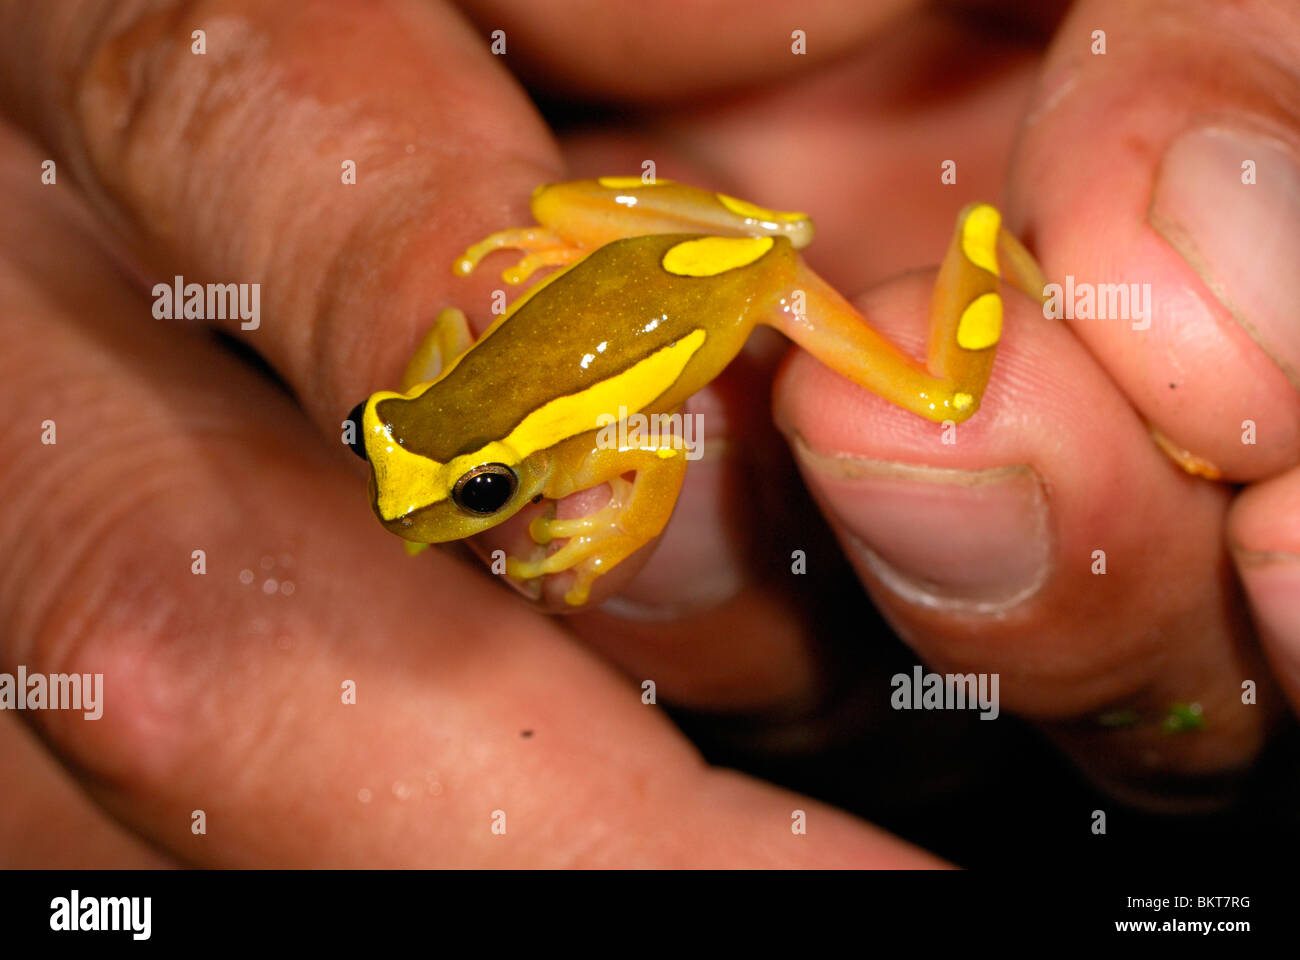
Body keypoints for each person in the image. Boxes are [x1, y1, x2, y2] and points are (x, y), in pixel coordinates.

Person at [0, 0, 1295, 867]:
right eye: (375, 438)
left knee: (947, 412)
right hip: (648, 243)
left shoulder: (584, 426)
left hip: (750, 279)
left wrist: (612, 512)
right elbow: (447, 352)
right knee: (565, 216)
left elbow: (657, 437)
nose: (415, 507)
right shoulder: (444, 393)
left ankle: (976, 249)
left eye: (480, 487)